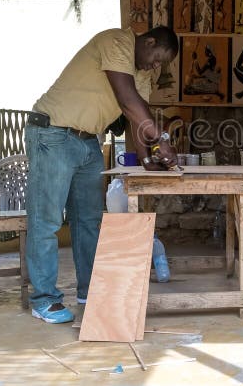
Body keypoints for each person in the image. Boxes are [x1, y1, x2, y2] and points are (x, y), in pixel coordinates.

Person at [24, 25, 179, 324]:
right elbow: (126, 99)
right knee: (47, 220)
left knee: (90, 220)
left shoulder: (143, 73)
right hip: (52, 134)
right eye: (156, 57)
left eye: (161, 64)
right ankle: (44, 300)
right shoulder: (117, 40)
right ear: (147, 42)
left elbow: (136, 112)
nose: (155, 66)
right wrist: (162, 139)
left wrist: (147, 157)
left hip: (87, 141)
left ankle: (89, 291)